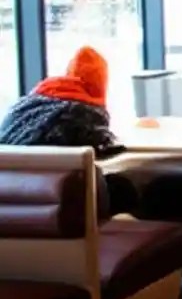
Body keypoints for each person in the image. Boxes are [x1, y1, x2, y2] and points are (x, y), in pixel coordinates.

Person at [0, 46, 135, 215]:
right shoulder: (86, 110)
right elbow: (99, 147)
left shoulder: (21, 107)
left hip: (8, 204)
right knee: (123, 188)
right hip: (53, 203)